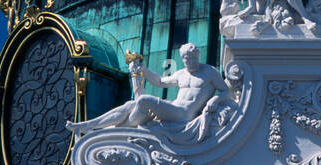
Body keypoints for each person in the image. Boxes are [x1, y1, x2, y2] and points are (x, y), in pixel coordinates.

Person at [95, 43, 230, 135]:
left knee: (143, 100)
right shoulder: (181, 74)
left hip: (184, 114)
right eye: (188, 60)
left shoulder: (209, 72)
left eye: (194, 58)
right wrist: (144, 70)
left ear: (198, 56)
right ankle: (92, 125)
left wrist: (215, 100)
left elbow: (226, 91)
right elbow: (159, 81)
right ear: (183, 59)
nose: (192, 62)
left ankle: (116, 130)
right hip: (173, 107)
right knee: (132, 104)